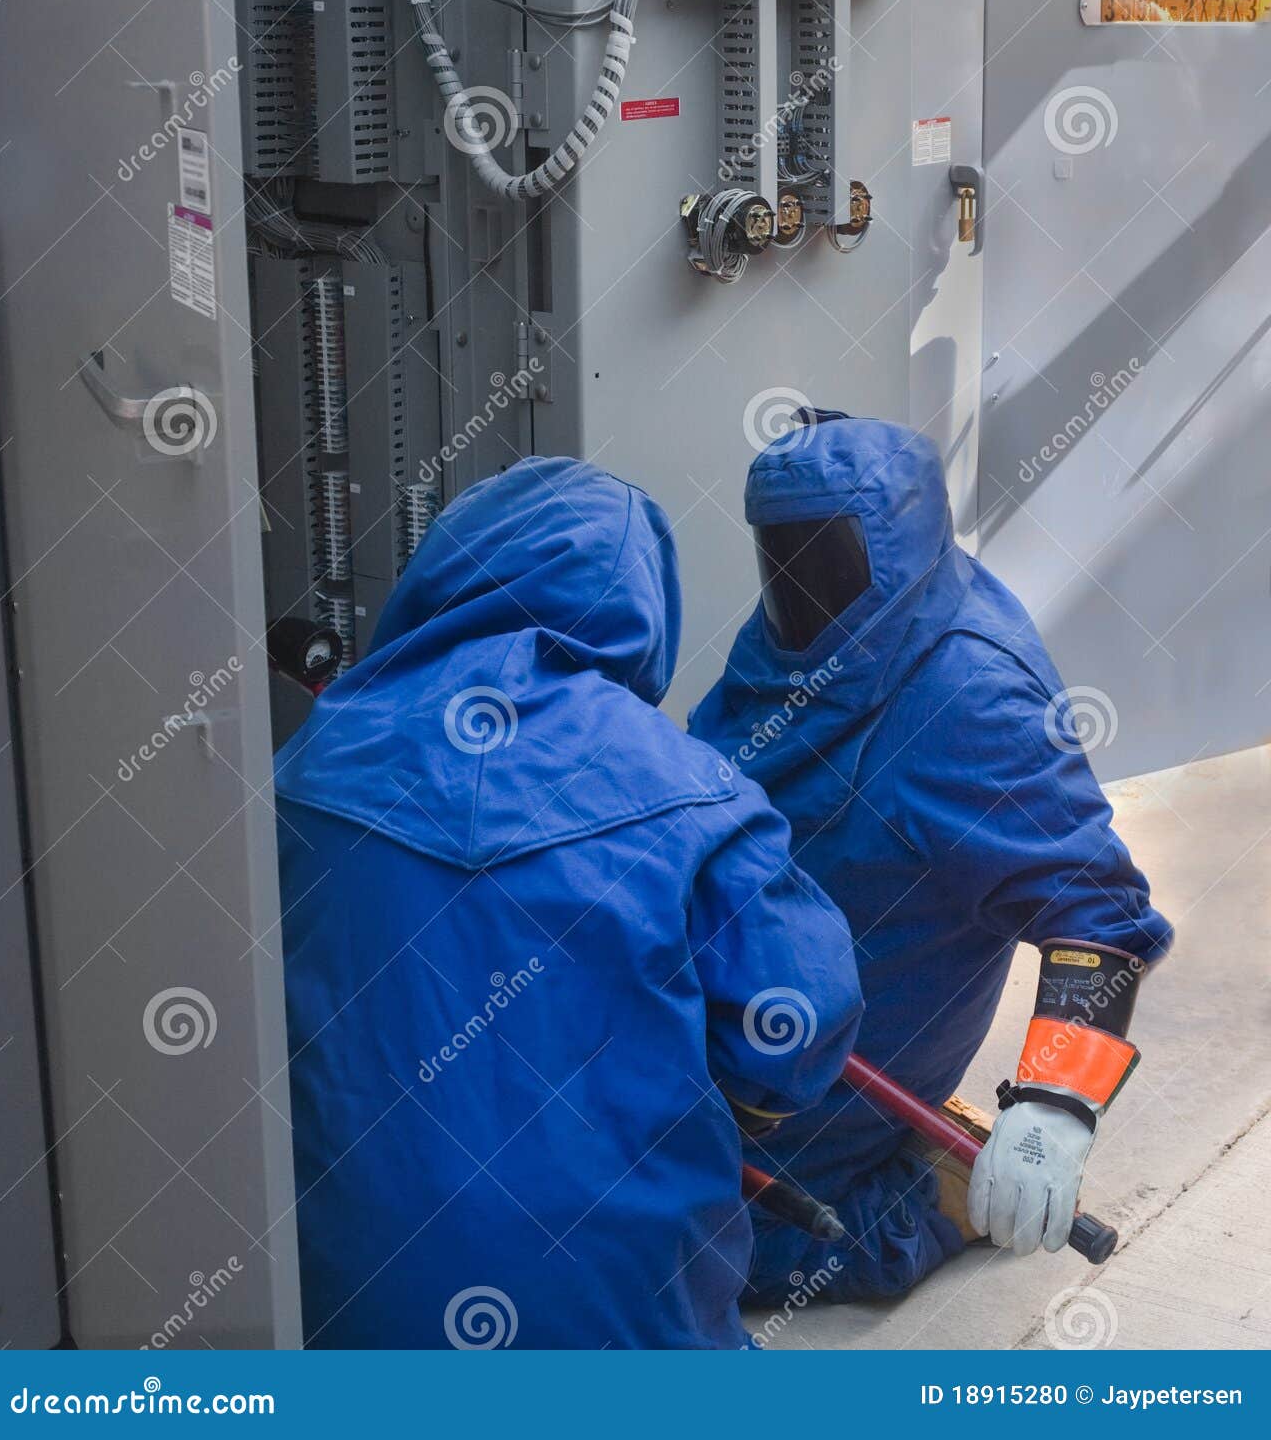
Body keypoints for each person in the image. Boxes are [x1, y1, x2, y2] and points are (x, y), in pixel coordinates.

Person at [274, 457, 864, 1349]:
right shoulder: (690, 787)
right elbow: (804, 1015)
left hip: (335, 1304)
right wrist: (712, 1099)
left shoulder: (303, 767)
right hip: (623, 1317)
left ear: (445, 567)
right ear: (642, 604)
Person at [689, 412, 1174, 1302]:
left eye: (827, 557)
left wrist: (1055, 1105)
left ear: (898, 548)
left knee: (677, 1249)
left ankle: (924, 1205)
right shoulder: (793, 643)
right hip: (724, 1009)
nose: (799, 584)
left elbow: (1100, 917)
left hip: (819, 1078)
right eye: (781, 554)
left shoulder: (970, 699)